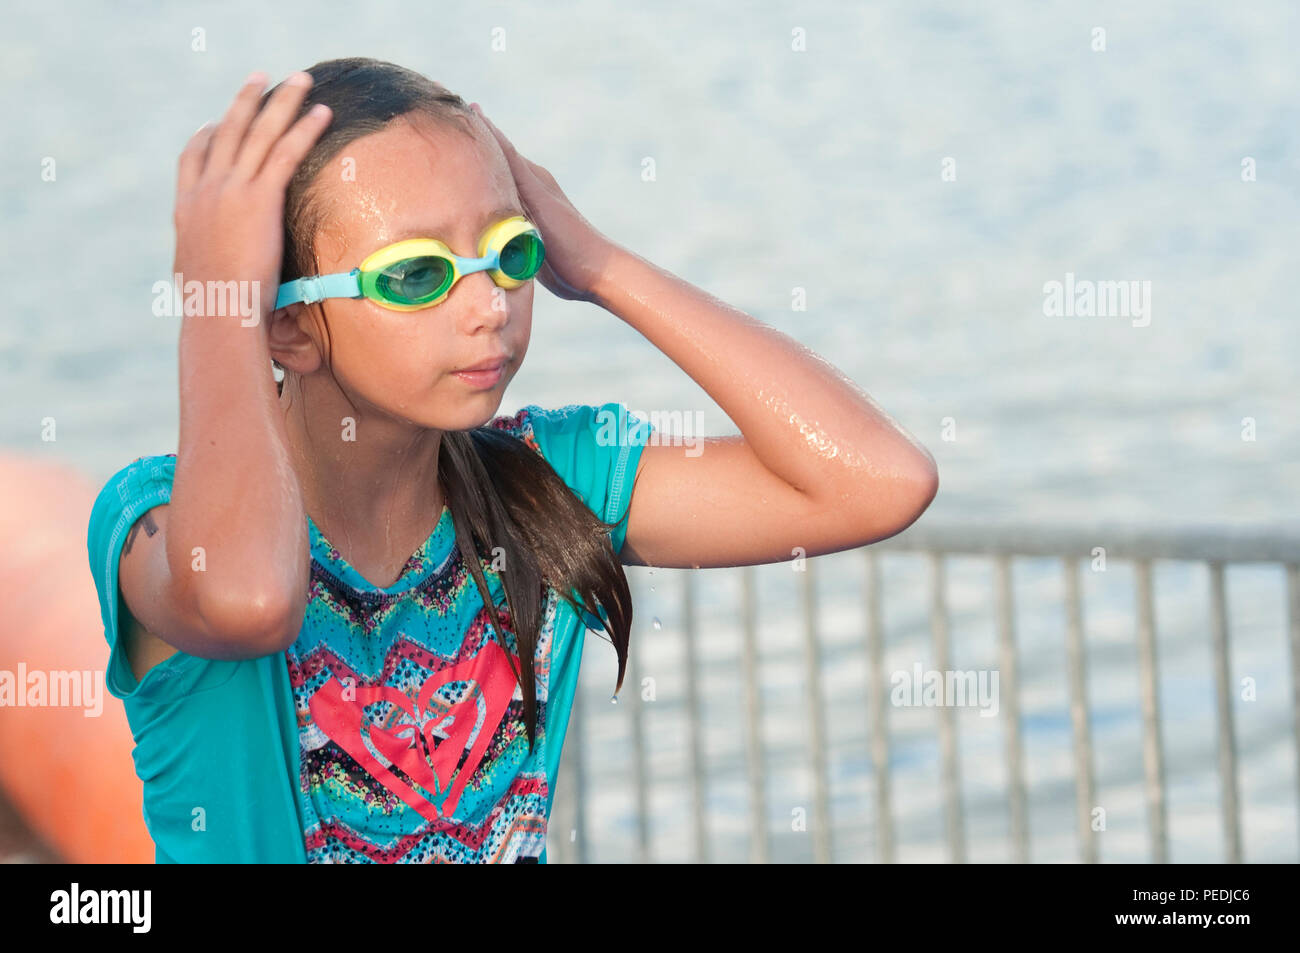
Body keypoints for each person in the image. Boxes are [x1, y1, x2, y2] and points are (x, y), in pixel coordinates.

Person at [85, 57, 939, 863]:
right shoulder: (159, 525)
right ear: (292, 324)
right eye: (418, 274)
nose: (488, 305)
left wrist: (599, 264)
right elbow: (251, 601)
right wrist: (218, 298)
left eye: (509, 253)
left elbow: (875, 483)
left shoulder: (540, 481)